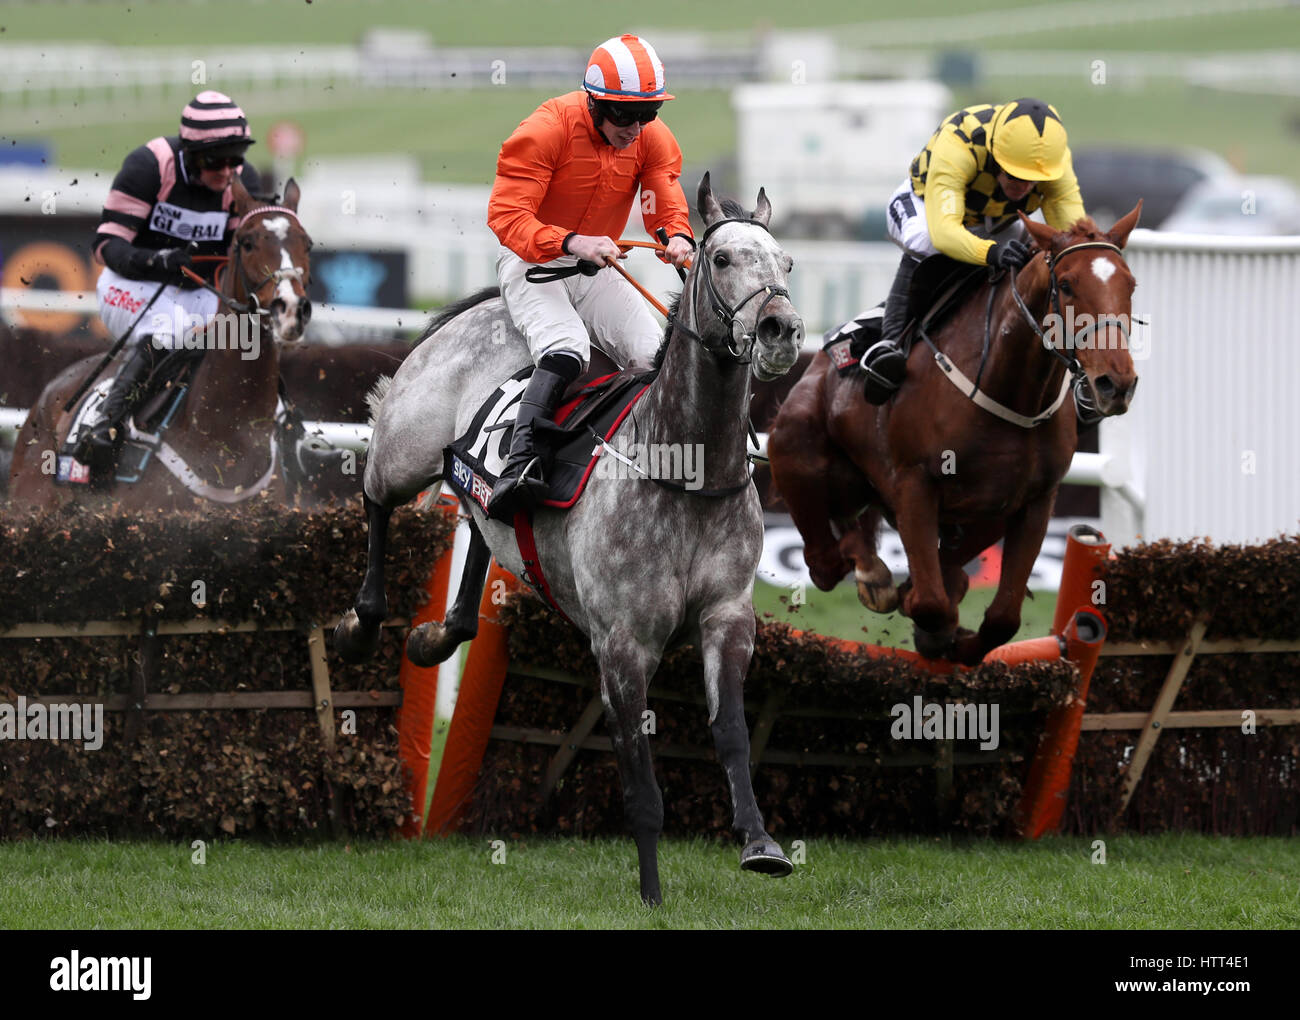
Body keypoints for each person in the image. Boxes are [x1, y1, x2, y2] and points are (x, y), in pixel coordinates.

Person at [484, 33, 695, 521]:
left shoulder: (649, 138)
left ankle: (653, 469)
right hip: (534, 264)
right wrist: (573, 241)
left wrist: (677, 235)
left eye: (648, 114)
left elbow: (661, 195)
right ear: (595, 102)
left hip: (600, 266)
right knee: (567, 351)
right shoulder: (545, 130)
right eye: (624, 115)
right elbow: (506, 217)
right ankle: (520, 465)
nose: (636, 127)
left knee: (658, 358)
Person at [859, 97, 1087, 404]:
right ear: (995, 155)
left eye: (1034, 181)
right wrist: (991, 253)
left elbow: (1074, 241)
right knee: (922, 239)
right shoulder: (959, 142)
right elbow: (945, 233)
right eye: (1013, 175)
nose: (1023, 186)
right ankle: (889, 346)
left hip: (992, 220)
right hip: (927, 207)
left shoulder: (1051, 159)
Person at [78, 91, 262, 465]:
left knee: (249, 342)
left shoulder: (244, 180)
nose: (227, 172)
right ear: (191, 154)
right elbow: (105, 245)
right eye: (216, 162)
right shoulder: (148, 166)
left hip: (200, 289)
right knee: (169, 331)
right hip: (131, 284)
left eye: (235, 159)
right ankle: (105, 426)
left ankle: (285, 434)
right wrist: (157, 261)